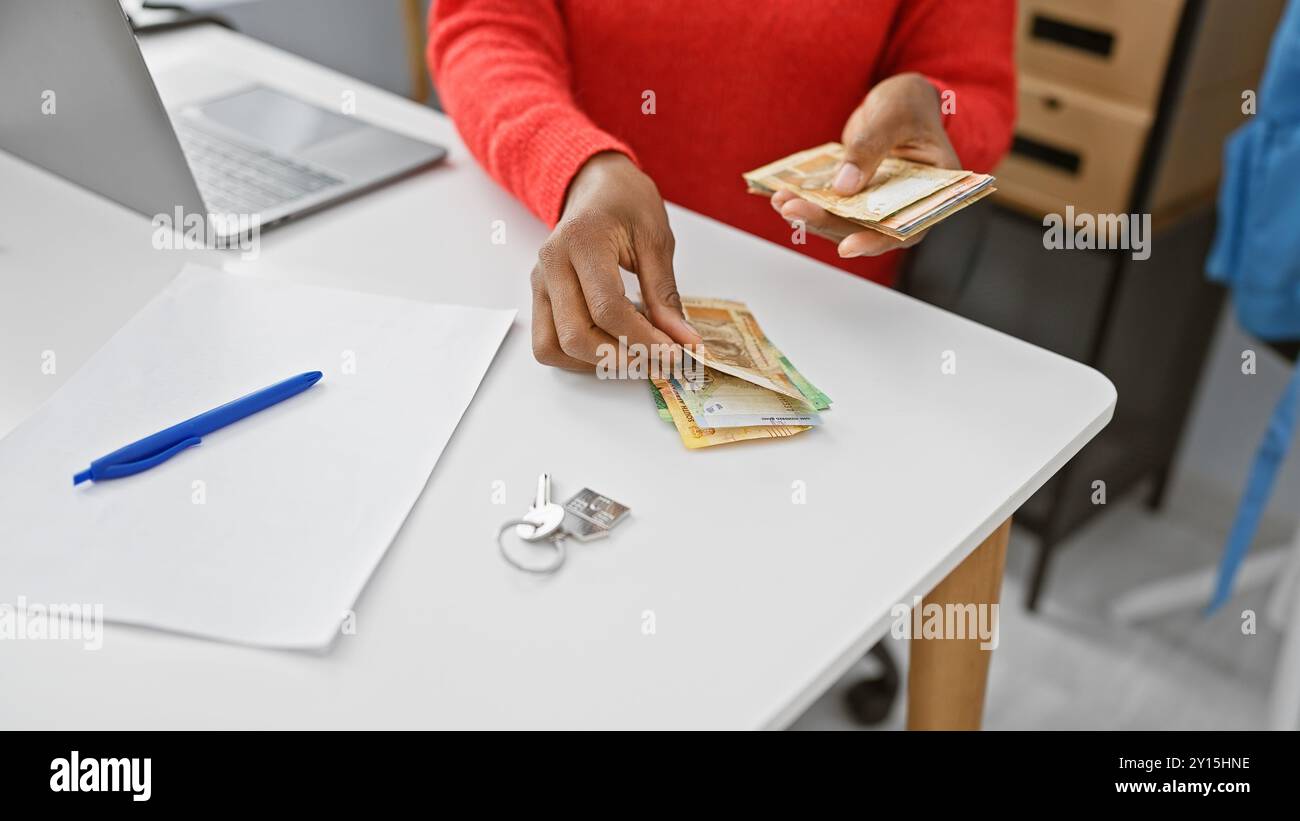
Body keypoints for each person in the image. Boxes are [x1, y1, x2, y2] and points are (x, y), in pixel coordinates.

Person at [429, 0, 1016, 370]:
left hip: (821, 313)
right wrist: (580, 165)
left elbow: (976, 91)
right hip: (569, 262)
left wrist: (939, 112)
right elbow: (484, 25)